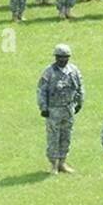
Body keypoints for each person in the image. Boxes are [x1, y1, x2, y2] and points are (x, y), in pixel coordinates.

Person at [37, 44, 85, 174]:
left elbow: (80, 87)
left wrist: (79, 102)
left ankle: (62, 162)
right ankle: (54, 164)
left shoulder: (73, 70)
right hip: (54, 110)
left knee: (66, 136)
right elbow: (41, 91)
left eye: (65, 58)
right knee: (53, 137)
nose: (63, 60)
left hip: (68, 109)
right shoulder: (49, 72)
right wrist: (43, 107)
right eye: (60, 57)